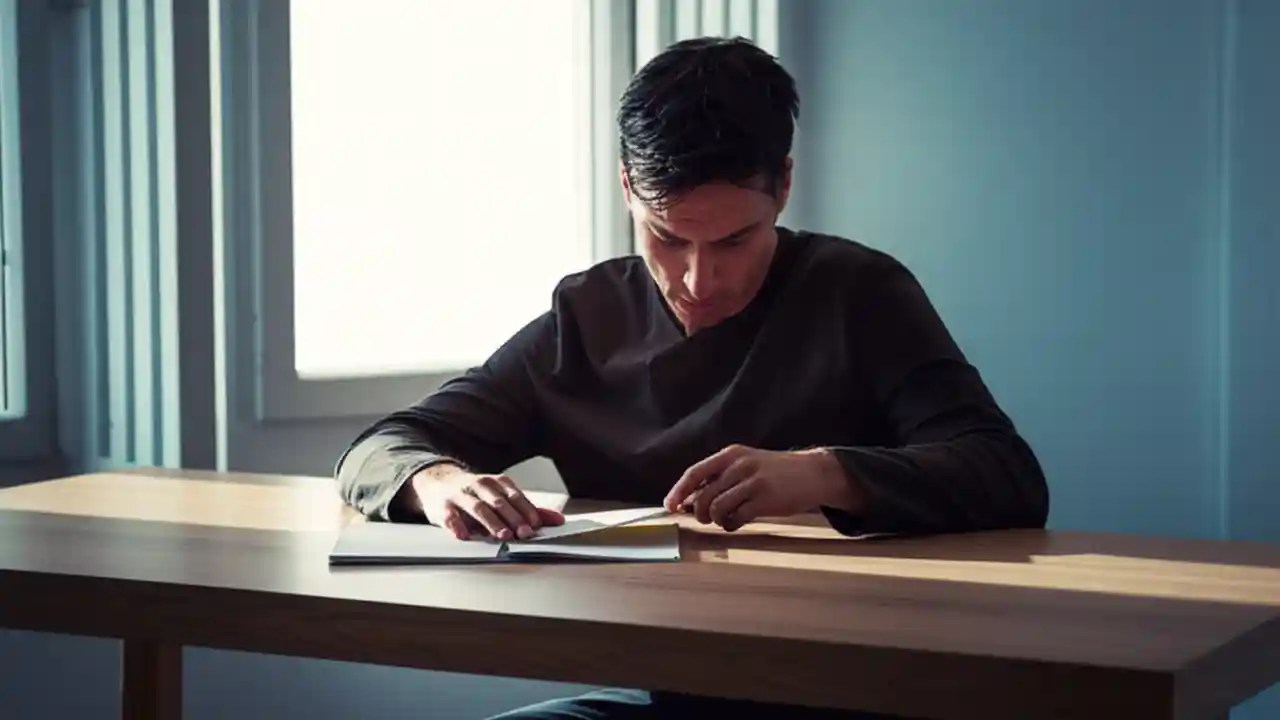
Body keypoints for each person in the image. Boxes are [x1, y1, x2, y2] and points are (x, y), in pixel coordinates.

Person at [335, 36, 1049, 720]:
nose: (699, 281)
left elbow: (1007, 474)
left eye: (735, 240)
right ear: (627, 188)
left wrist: (825, 474)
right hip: (673, 696)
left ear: (784, 185)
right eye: (667, 237)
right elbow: (381, 447)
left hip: (862, 696)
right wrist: (437, 482)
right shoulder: (585, 316)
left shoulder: (859, 293)